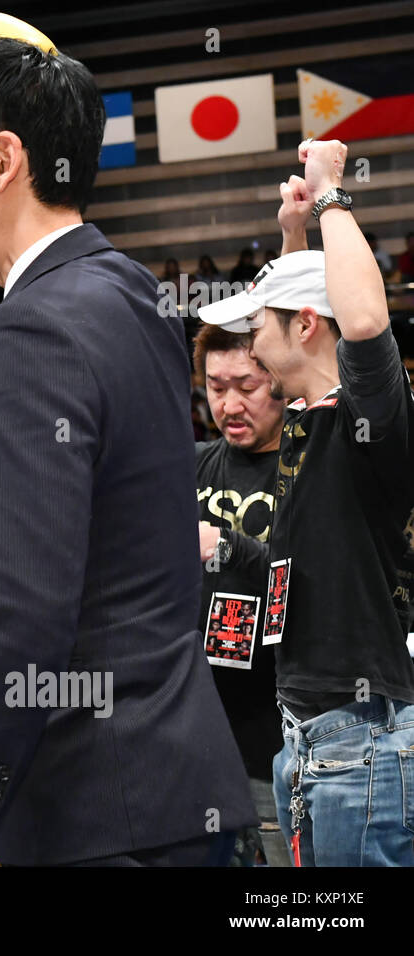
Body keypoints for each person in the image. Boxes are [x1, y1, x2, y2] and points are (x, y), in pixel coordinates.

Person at [0, 27, 254, 867]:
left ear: (3, 159)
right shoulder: (131, 291)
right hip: (168, 788)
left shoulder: (33, 330)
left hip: (100, 805)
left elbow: (28, 614)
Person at [197, 139, 414, 866]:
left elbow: (363, 323)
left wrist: (329, 197)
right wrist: (293, 236)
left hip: (361, 739)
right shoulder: (304, 422)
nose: (252, 346)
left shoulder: (368, 421)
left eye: (262, 323)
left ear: (306, 327)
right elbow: (303, 311)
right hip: (311, 738)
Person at [191, 322, 288, 865]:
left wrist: (230, 547)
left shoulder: (313, 465)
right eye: (215, 386)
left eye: (246, 387)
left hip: (284, 745)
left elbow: (327, 584)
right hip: (196, 745)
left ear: (278, 377)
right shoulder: (188, 466)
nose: (228, 405)